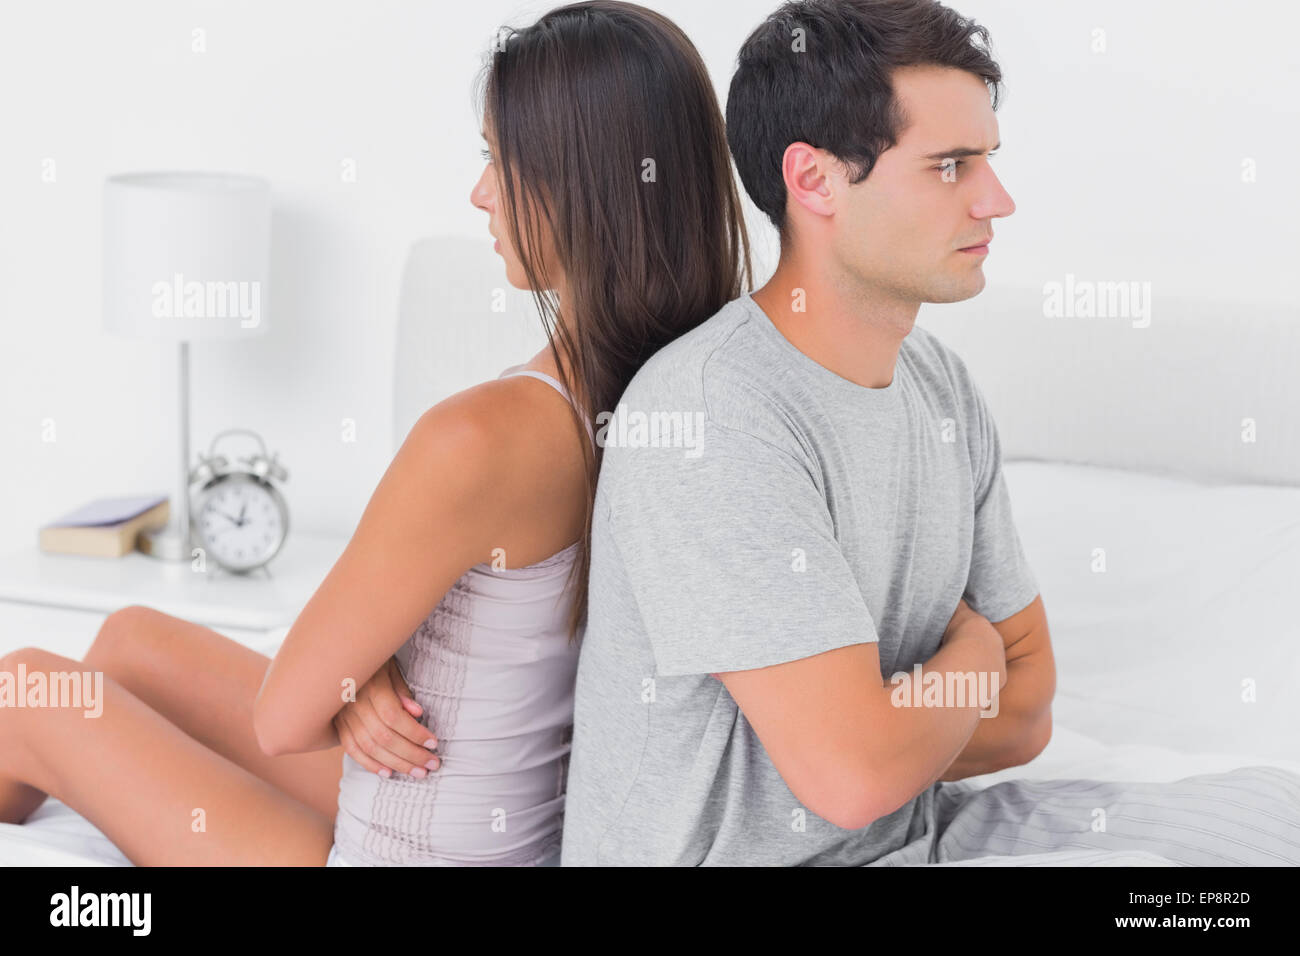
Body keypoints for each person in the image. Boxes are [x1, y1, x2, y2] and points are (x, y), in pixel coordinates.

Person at [0, 0, 751, 866]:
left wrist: (349, 682)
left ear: (579, 188)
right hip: (486, 808)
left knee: (26, 684)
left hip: (407, 849)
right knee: (132, 639)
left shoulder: (481, 437)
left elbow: (286, 718)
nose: (480, 193)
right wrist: (354, 679)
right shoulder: (698, 389)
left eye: (501, 162)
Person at [560, 0, 1300, 866]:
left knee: (1274, 812)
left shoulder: (940, 386)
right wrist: (975, 650)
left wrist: (907, 715)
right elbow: (853, 776)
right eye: (951, 166)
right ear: (816, 181)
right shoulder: (712, 416)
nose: (998, 199)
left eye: (987, 160)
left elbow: (1026, 712)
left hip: (922, 829)